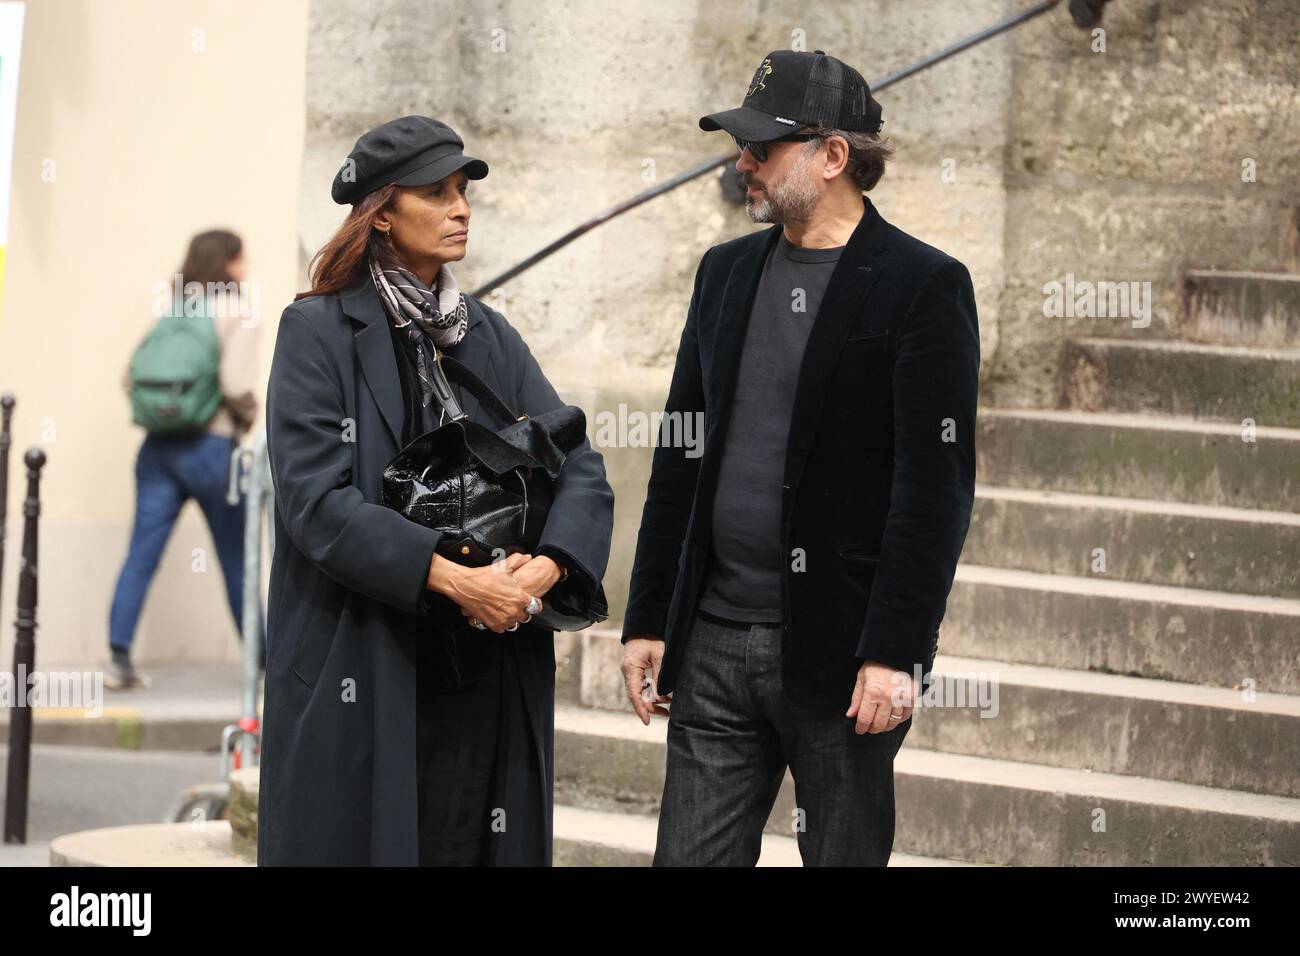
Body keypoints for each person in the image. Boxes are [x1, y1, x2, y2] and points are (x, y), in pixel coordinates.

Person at [621, 50, 980, 866]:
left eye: (762, 147)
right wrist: (648, 618)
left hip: (842, 651)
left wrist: (896, 650)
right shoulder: (724, 273)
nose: (742, 163)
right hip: (711, 641)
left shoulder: (923, 285)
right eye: (743, 145)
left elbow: (935, 488)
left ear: (832, 156)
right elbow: (680, 456)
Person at [257, 115, 614, 866]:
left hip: (486, 671)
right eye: (436, 192)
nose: (461, 208)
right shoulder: (317, 331)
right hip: (367, 663)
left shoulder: (487, 334)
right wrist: (454, 579)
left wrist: (546, 567)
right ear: (381, 211)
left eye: (464, 191)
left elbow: (577, 461)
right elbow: (316, 504)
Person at [107, 229, 261, 690]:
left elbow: (130, 377)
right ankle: (262, 664)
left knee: (141, 554)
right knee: (237, 558)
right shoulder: (237, 309)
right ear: (231, 263)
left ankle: (118, 658)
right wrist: (247, 416)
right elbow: (236, 384)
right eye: (243, 257)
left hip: (157, 449)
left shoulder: (174, 308)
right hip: (213, 448)